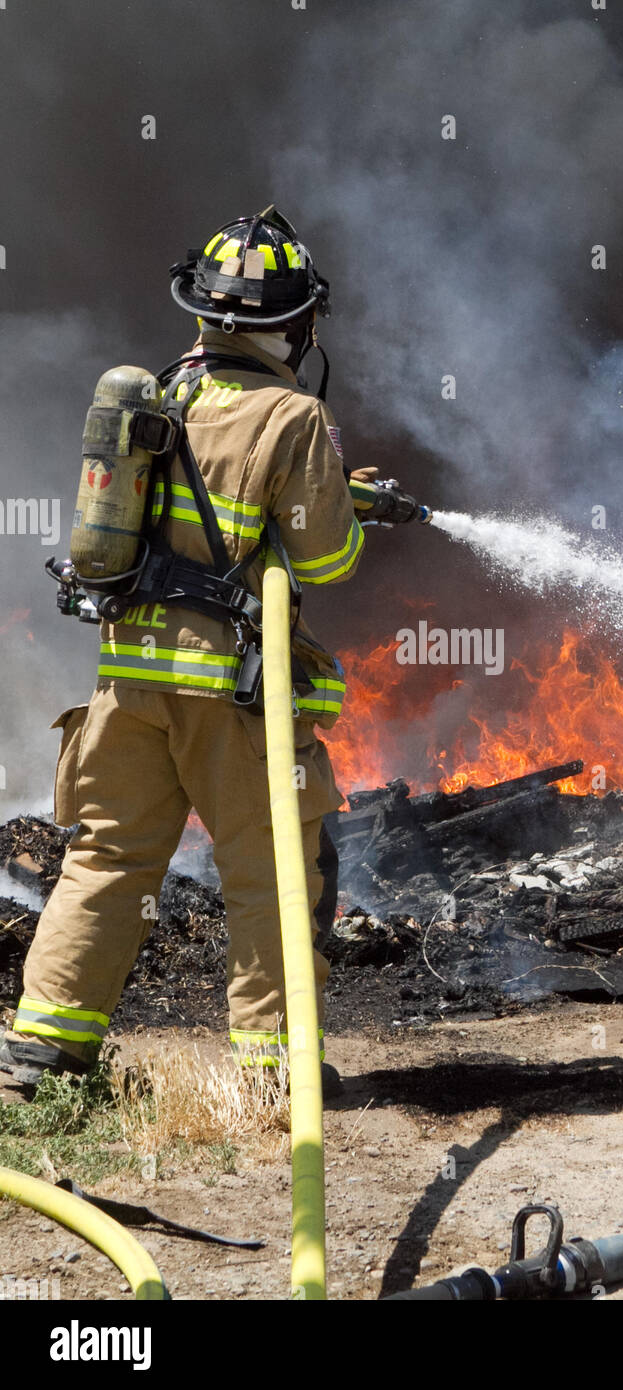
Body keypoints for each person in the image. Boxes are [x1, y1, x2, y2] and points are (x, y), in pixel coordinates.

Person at [1, 206, 370, 1098]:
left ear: (201, 313)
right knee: (274, 868)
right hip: (231, 696)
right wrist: (347, 505)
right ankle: (275, 1076)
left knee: (107, 861)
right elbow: (324, 559)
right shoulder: (292, 415)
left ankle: (44, 1053)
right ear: (299, 322)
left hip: (127, 683)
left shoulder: (160, 395)